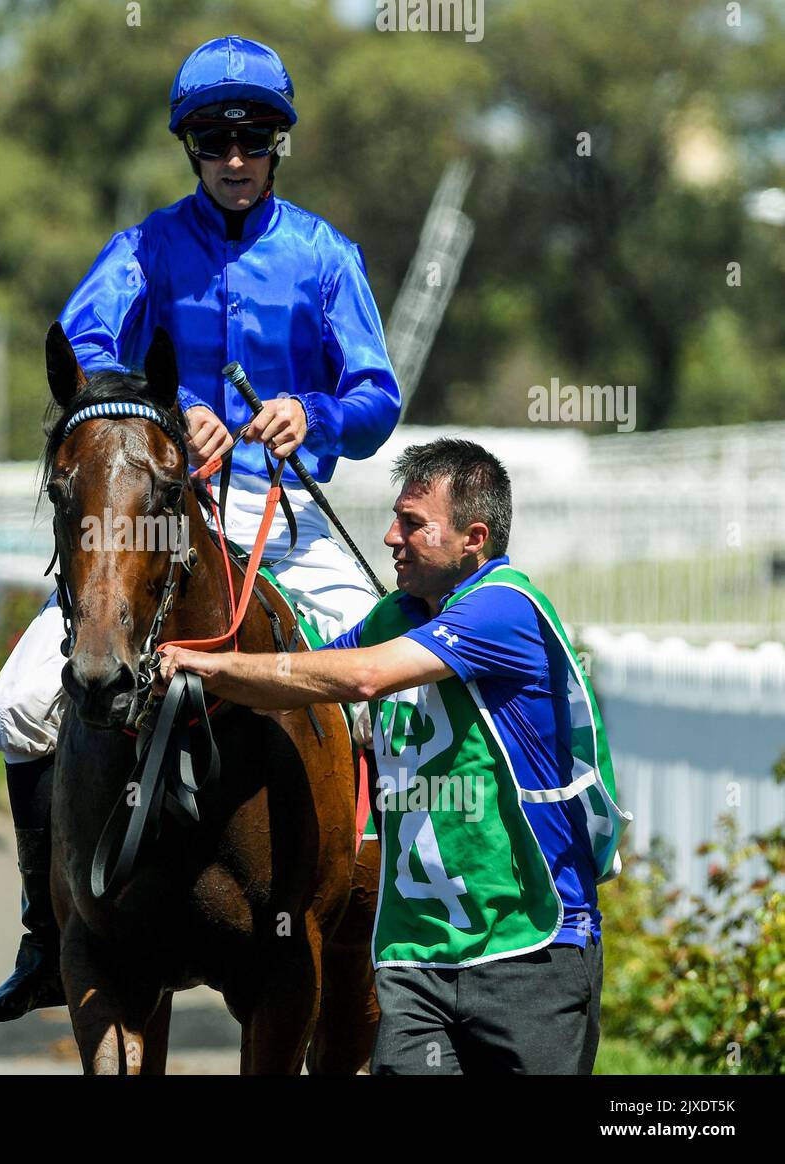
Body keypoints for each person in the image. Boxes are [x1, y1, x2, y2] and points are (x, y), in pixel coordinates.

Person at [0, 36, 401, 1024]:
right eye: (214, 140)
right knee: (17, 707)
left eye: (253, 138)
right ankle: (49, 929)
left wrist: (315, 414)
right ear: (190, 148)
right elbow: (84, 346)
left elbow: (377, 395)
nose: (235, 156)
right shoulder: (142, 251)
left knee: (372, 694)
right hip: (151, 522)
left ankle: (377, 930)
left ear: (278, 145)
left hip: (282, 519)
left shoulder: (327, 258)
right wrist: (155, 412)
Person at [157, 437, 630, 1074]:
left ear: (474, 537)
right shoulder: (398, 614)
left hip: (530, 954)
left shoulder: (504, 608)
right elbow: (303, 671)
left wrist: (208, 665)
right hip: (416, 967)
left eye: (412, 523)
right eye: (394, 518)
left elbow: (361, 677)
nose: (389, 537)